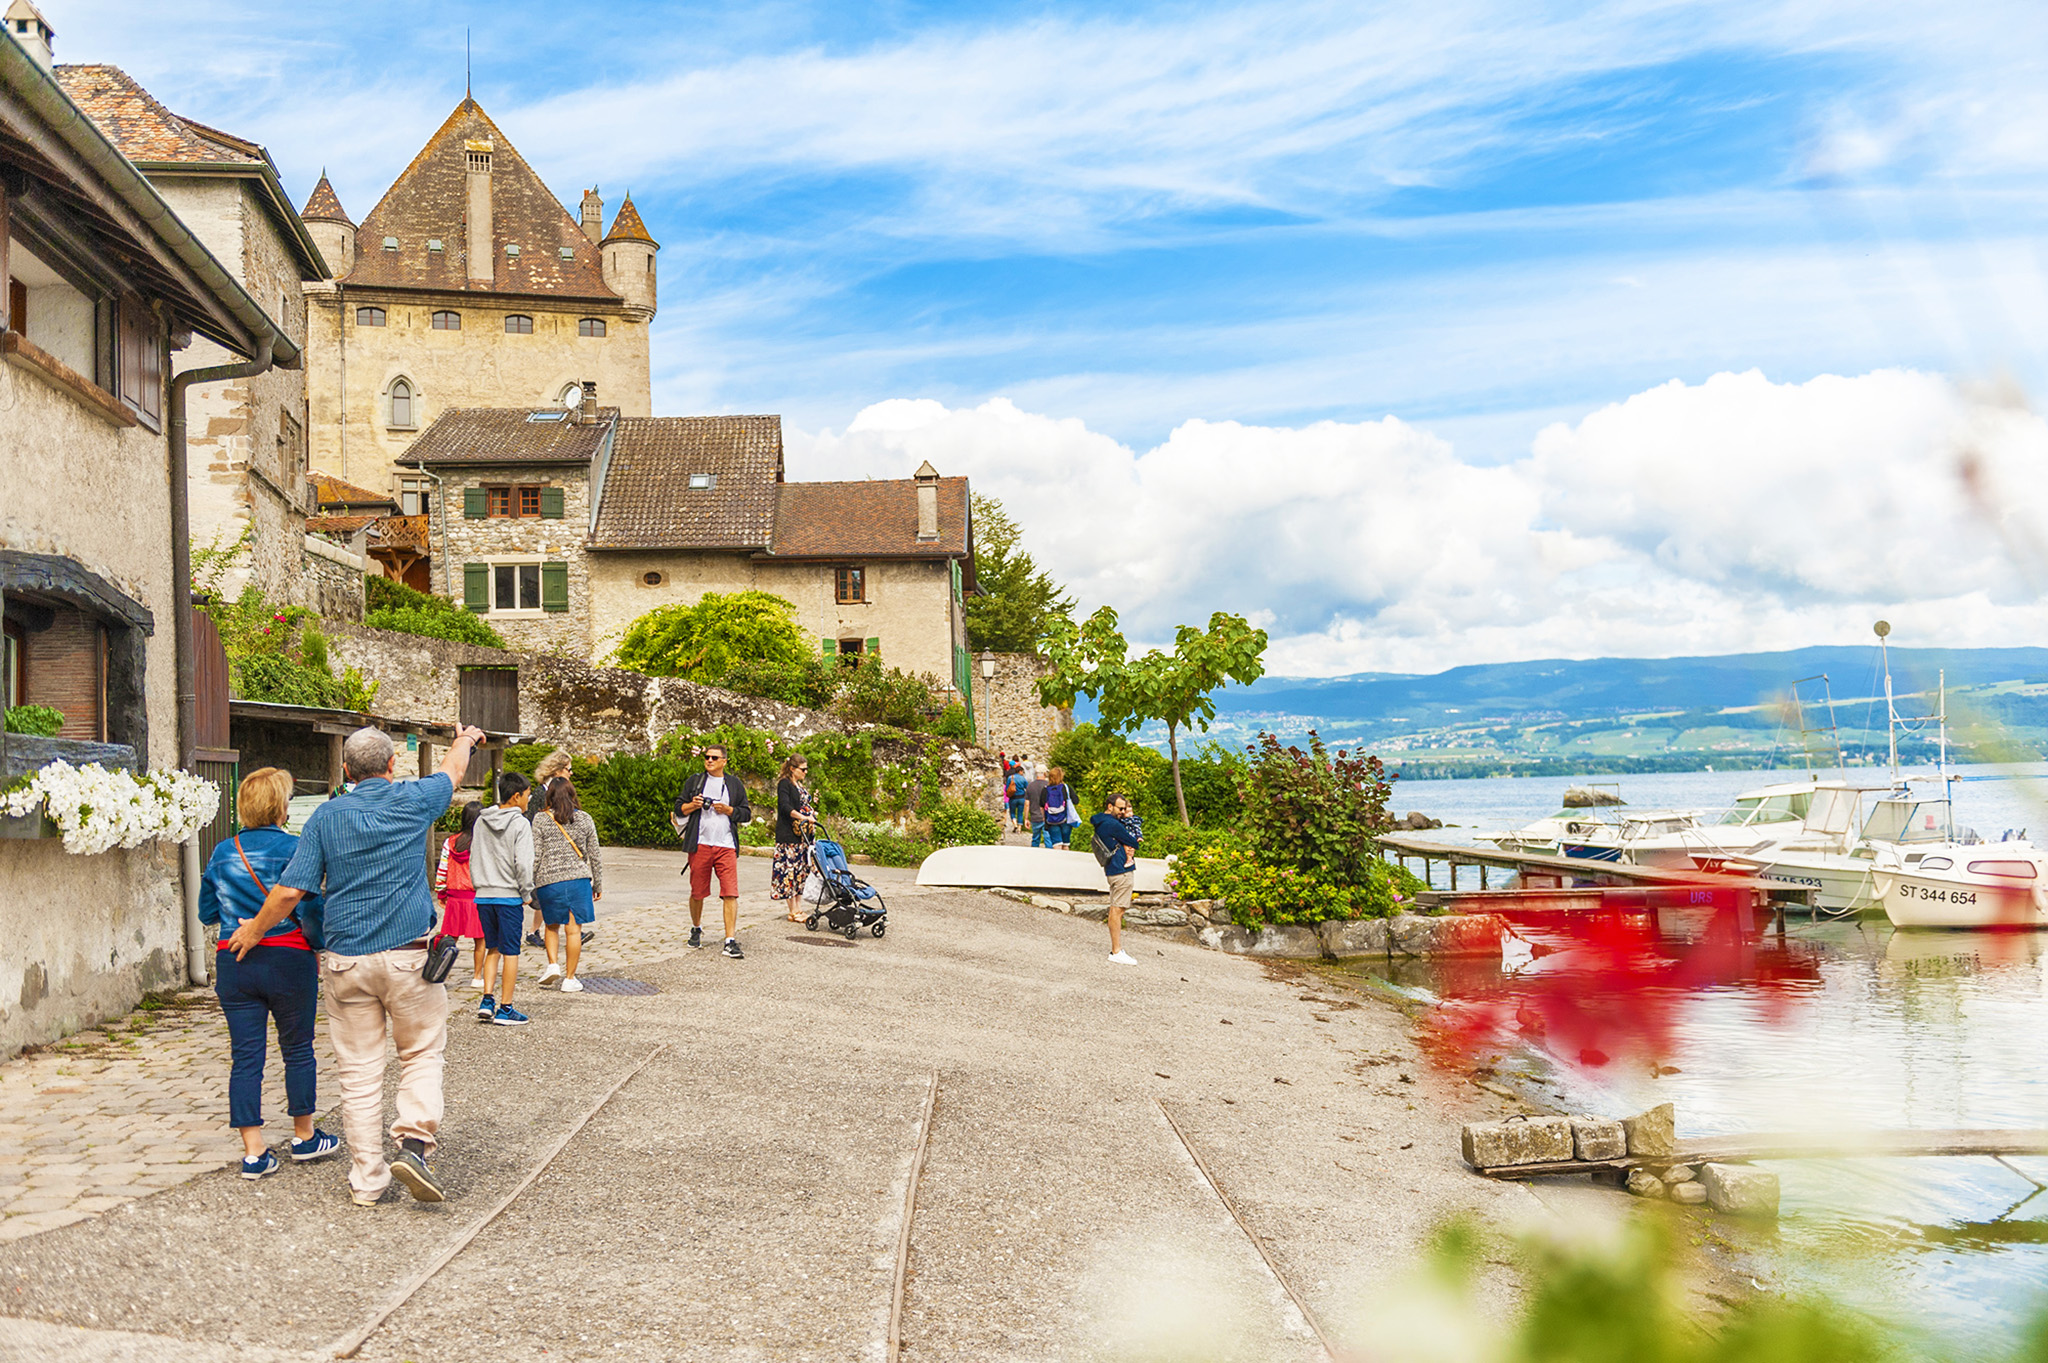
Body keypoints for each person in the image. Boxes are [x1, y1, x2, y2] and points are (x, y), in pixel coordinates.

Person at [231, 722, 486, 1207]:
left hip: (347, 962)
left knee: (359, 1071)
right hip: (410, 957)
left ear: (346, 771)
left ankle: (368, 1181)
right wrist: (467, 738)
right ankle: (413, 1145)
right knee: (421, 1055)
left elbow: (290, 891)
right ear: (392, 766)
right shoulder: (415, 798)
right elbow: (453, 770)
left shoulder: (326, 817)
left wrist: (254, 930)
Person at [198, 766, 338, 1179]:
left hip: (234, 961)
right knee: (297, 1048)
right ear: (281, 806)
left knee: (245, 1057)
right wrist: (316, 944)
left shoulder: (223, 851)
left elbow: (207, 910)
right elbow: (310, 910)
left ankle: (254, 1151)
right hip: (288, 959)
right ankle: (304, 1134)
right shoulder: (297, 848)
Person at [671, 744, 752, 959]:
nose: (709, 761)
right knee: (698, 891)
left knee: (730, 892)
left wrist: (729, 810)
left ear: (724, 761)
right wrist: (693, 805)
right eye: (706, 757)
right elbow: (679, 808)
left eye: (714, 758)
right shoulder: (695, 781)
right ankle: (696, 927)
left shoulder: (734, 784)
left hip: (726, 845)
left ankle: (730, 940)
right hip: (700, 844)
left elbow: (746, 813)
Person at [471, 772, 536, 1026]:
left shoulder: (480, 821)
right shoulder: (520, 824)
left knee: (492, 948)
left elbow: (474, 855)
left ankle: (487, 1000)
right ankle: (506, 1008)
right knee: (511, 951)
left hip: (484, 895)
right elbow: (523, 864)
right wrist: (526, 892)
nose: (529, 800)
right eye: (528, 796)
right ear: (517, 795)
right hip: (508, 896)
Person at [533, 779, 602, 993]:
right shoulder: (584, 818)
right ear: (572, 794)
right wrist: (598, 883)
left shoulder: (541, 819)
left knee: (551, 926)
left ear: (550, 795)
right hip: (577, 880)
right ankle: (570, 978)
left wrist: (530, 882)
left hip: (549, 880)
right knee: (573, 931)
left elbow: (536, 855)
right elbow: (595, 856)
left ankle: (552, 964)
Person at [524, 749, 576, 949]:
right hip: (540, 851)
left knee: (548, 893)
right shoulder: (541, 794)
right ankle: (544, 931)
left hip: (548, 851)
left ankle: (537, 931)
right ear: (557, 771)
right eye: (569, 770)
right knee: (546, 893)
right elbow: (532, 823)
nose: (571, 774)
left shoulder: (552, 792)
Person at [435, 801, 487, 989]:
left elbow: (442, 870)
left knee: (450, 938)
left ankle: (442, 974)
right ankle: (477, 976)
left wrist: (441, 893)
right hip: (477, 896)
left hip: (455, 897)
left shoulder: (450, 842)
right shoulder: (483, 842)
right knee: (480, 940)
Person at [1089, 793, 1143, 966]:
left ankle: (1116, 949)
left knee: (1116, 908)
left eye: (1124, 808)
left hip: (1112, 869)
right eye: (1120, 808)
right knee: (1117, 909)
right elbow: (1133, 842)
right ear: (1110, 806)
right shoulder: (1112, 824)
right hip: (1121, 870)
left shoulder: (1101, 821)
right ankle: (1116, 950)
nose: (1123, 812)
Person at [773, 755, 818, 923]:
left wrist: (810, 815)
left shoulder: (799, 785)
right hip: (789, 834)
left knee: (801, 871)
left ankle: (798, 908)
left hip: (803, 835)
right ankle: (792, 910)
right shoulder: (785, 784)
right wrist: (803, 817)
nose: (805, 772)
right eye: (803, 769)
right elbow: (785, 807)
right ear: (793, 769)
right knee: (789, 871)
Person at [1041, 767, 1076, 847]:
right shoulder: (1066, 788)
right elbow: (1076, 800)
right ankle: (1066, 859)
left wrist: (1044, 819)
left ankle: (1058, 858)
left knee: (1057, 844)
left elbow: (1042, 805)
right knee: (1065, 845)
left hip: (1051, 821)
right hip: (1065, 820)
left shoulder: (1045, 790)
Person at [1024, 768, 1051, 848]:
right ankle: (1051, 857)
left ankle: (1034, 857)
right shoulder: (1049, 785)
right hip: (1047, 816)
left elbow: (1027, 803)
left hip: (1034, 816)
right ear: (1045, 774)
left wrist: (1026, 818)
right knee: (1048, 838)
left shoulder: (1030, 786)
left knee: (1035, 838)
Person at [1005, 762, 1030, 834]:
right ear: (1020, 771)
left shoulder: (1010, 778)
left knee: (1012, 812)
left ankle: (1015, 824)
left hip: (1013, 798)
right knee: (1020, 812)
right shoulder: (1023, 779)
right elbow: (1027, 788)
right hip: (1021, 798)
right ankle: (1019, 829)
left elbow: (1007, 788)